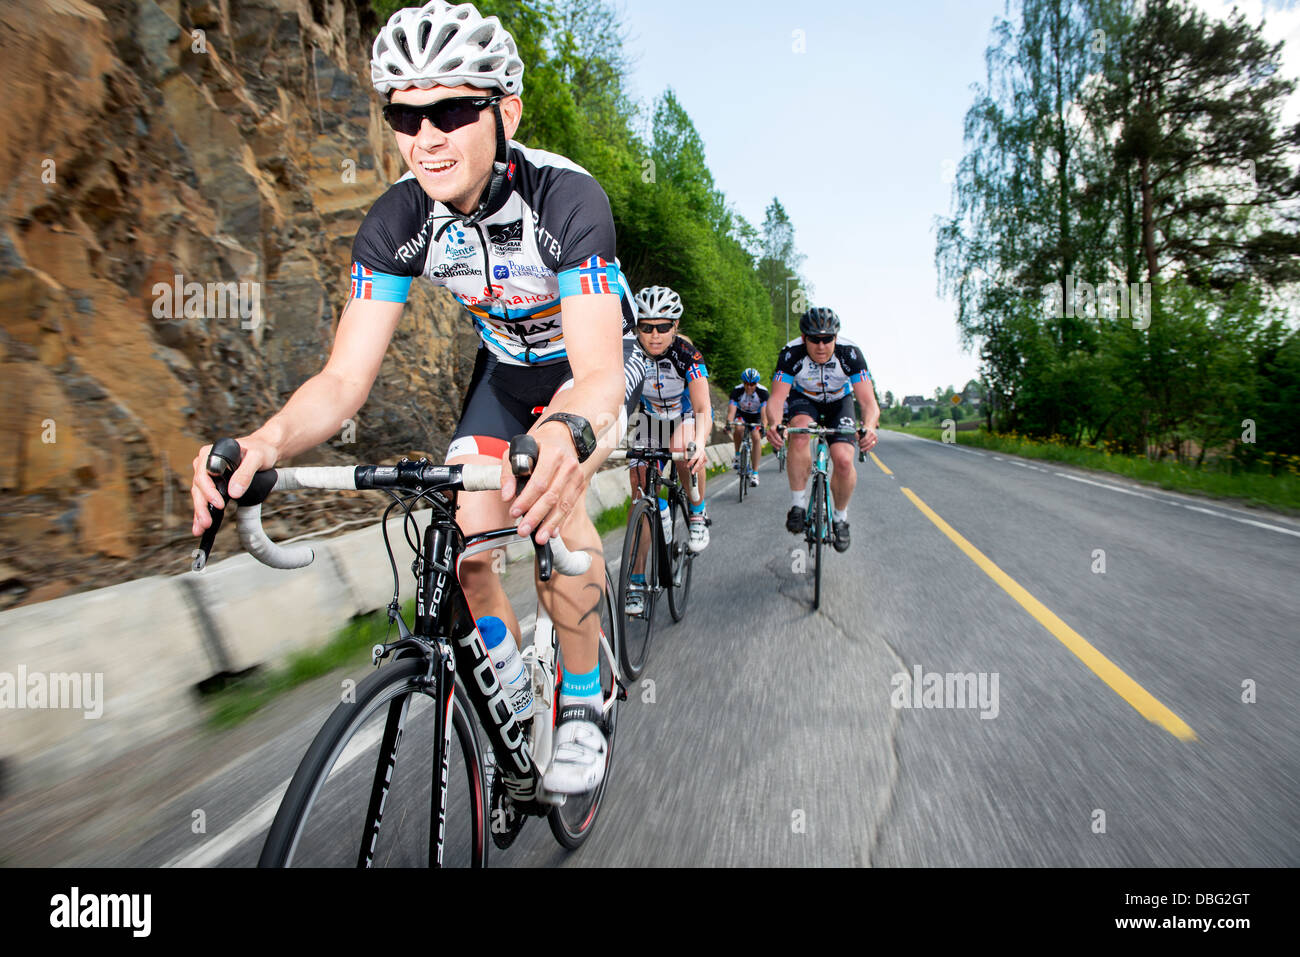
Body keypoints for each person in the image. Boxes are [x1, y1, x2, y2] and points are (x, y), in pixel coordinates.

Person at [190, 0, 646, 795]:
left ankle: (582, 695)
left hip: (595, 368)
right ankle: (507, 681)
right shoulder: (400, 219)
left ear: (505, 110)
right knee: (466, 547)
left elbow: (600, 371)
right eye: (403, 115)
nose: (425, 137)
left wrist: (572, 434)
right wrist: (266, 442)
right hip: (508, 372)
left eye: (451, 109)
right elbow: (341, 381)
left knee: (551, 500)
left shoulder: (567, 199)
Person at [765, 307, 879, 552]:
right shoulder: (790, 354)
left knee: (844, 460)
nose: (821, 346)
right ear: (804, 338)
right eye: (814, 339)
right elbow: (776, 399)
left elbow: (869, 403)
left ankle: (841, 519)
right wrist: (775, 424)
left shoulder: (850, 354)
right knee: (799, 432)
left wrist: (868, 427)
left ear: (835, 338)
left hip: (840, 403)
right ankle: (798, 504)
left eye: (827, 339)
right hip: (805, 399)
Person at [626, 286, 712, 560]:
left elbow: (702, 406)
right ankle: (636, 582)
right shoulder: (629, 350)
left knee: (681, 450)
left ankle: (697, 512)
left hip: (682, 416)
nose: (654, 336)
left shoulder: (687, 354)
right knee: (640, 485)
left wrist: (699, 443)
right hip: (650, 419)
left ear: (675, 326)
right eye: (646, 327)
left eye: (662, 327)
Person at [726, 368, 769, 486]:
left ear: (756, 383)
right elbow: (731, 411)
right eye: (746, 384)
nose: (749, 387)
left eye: (752, 384)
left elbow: (765, 413)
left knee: (756, 438)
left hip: (756, 416)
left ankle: (755, 473)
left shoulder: (763, 392)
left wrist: (764, 427)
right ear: (743, 382)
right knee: (738, 428)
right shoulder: (737, 391)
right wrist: (729, 423)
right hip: (742, 414)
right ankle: (737, 456)